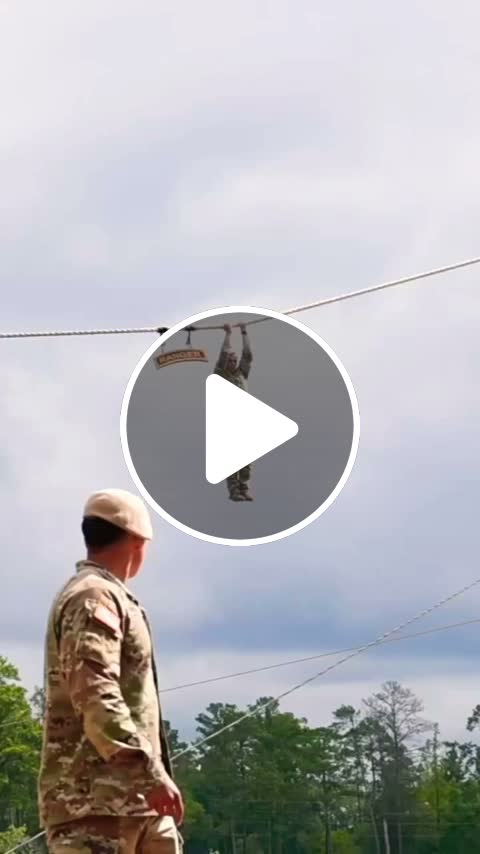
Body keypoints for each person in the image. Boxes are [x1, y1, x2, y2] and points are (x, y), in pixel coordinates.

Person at [38, 488, 184, 854]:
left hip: (135, 806)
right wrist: (146, 773)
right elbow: (96, 694)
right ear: (137, 541)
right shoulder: (93, 597)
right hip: (96, 808)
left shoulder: (108, 596)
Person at [214, 322, 254, 502]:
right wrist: (228, 334)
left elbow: (248, 355)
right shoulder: (221, 375)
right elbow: (223, 354)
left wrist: (244, 332)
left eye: (234, 359)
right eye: (230, 360)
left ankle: (243, 488)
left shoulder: (240, 374)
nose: (233, 361)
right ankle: (233, 491)